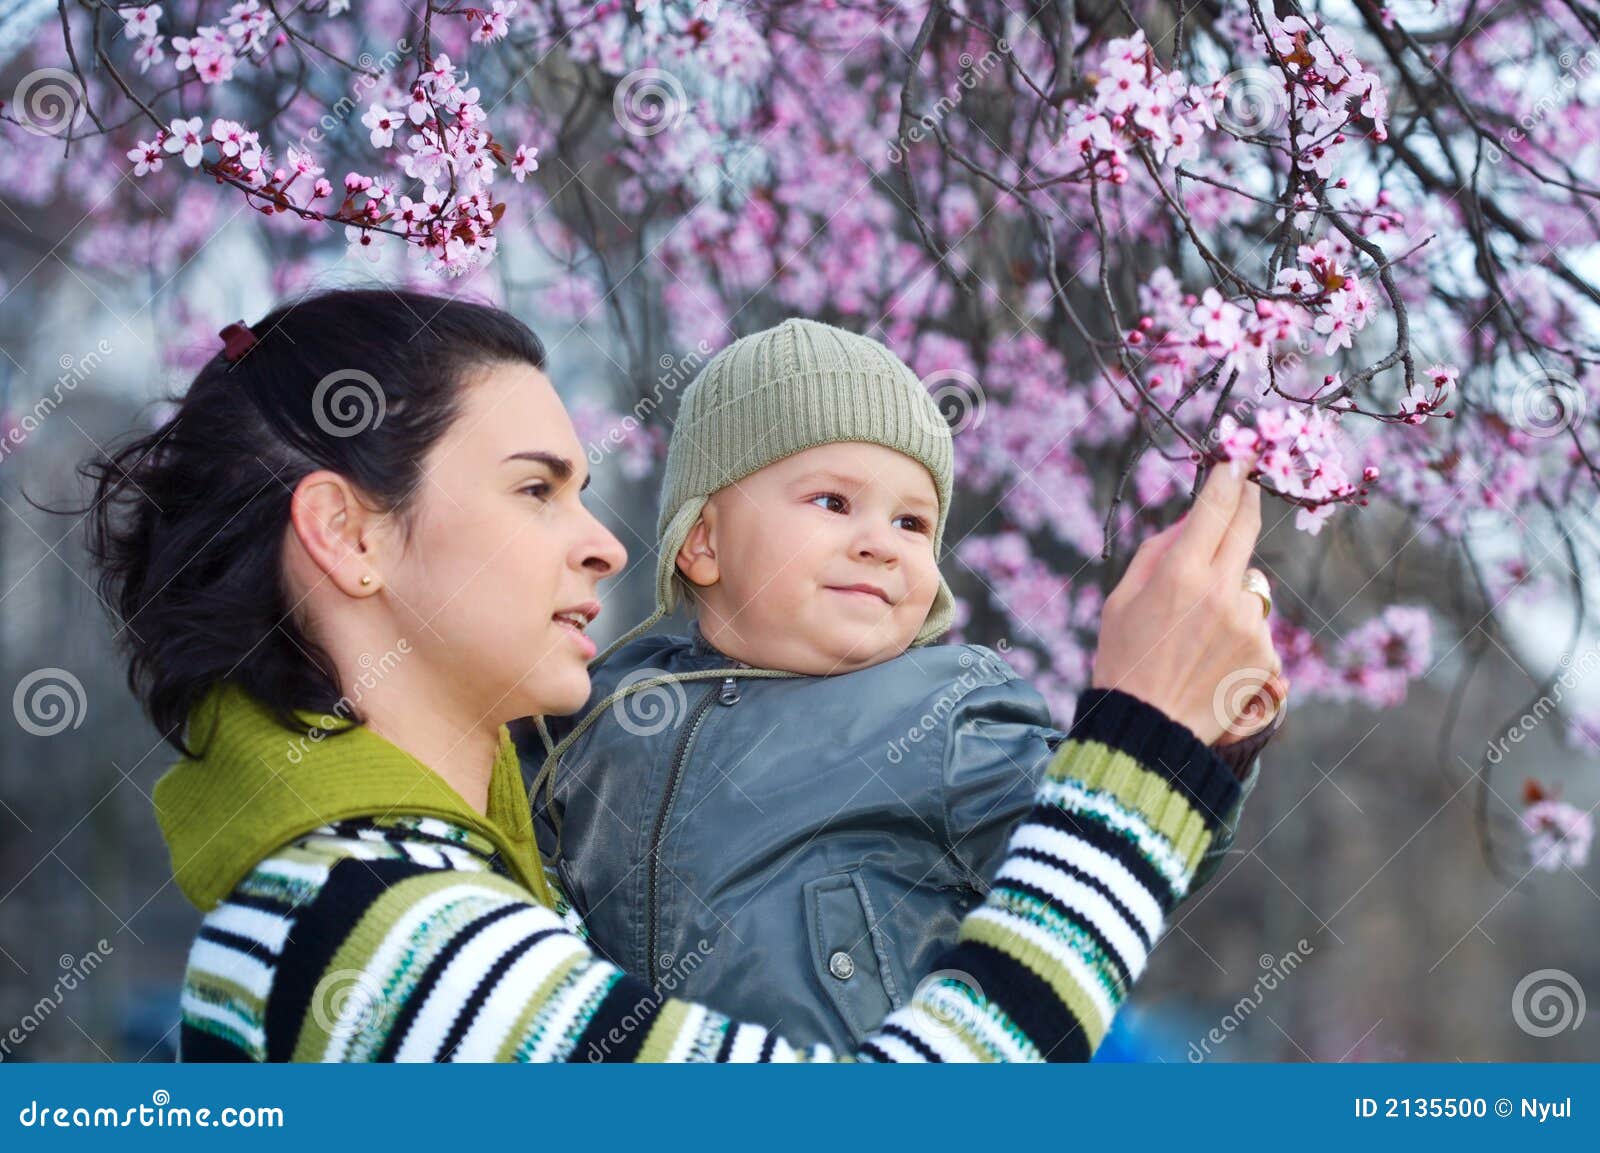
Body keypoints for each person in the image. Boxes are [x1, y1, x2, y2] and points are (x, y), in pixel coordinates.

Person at [85, 287, 1276, 1062]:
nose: (605, 541)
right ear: (350, 535)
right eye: (536, 487)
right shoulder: (379, 943)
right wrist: (1135, 762)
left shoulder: (428, 889)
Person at [529, 318, 1287, 1051]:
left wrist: (1204, 739)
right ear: (703, 540)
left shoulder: (948, 709)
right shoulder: (604, 704)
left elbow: (1105, 831)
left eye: (913, 524)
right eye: (833, 502)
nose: (880, 544)